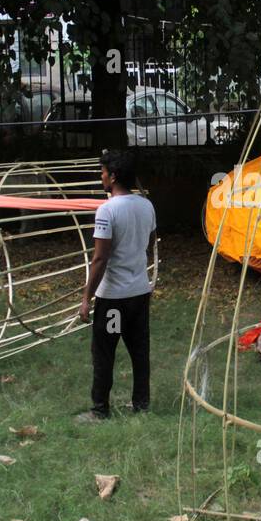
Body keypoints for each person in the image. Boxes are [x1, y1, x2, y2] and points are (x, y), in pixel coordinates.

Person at [76, 150, 156, 422]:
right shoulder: (147, 206)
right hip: (139, 294)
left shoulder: (107, 210)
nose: (101, 176)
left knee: (104, 353)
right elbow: (147, 241)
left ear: (113, 176)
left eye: (103, 172)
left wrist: (87, 297)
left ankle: (100, 410)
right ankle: (141, 405)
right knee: (139, 351)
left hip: (113, 300)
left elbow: (100, 258)